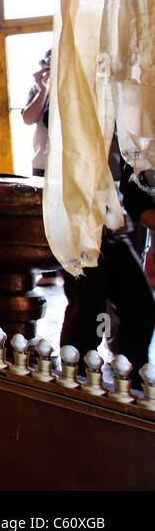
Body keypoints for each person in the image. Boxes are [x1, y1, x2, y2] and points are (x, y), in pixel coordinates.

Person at [59, 144, 155, 365]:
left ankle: (132, 374)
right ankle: (75, 379)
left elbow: (134, 194)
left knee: (140, 308)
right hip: (82, 223)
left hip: (115, 227)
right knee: (88, 309)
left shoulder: (130, 123)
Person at [21, 49, 50, 177]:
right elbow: (28, 119)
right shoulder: (38, 89)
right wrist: (43, 90)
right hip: (43, 162)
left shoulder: (79, 87)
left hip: (73, 163)